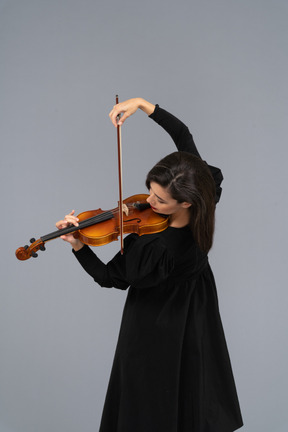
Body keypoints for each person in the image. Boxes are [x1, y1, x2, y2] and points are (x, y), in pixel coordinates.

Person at [56, 98, 243, 432]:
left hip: (156, 318)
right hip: (195, 305)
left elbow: (107, 277)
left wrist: (79, 245)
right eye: (150, 192)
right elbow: (182, 135)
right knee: (191, 380)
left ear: (185, 201)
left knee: (150, 392)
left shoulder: (156, 248)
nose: (146, 202)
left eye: (159, 199)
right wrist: (143, 104)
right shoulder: (205, 192)